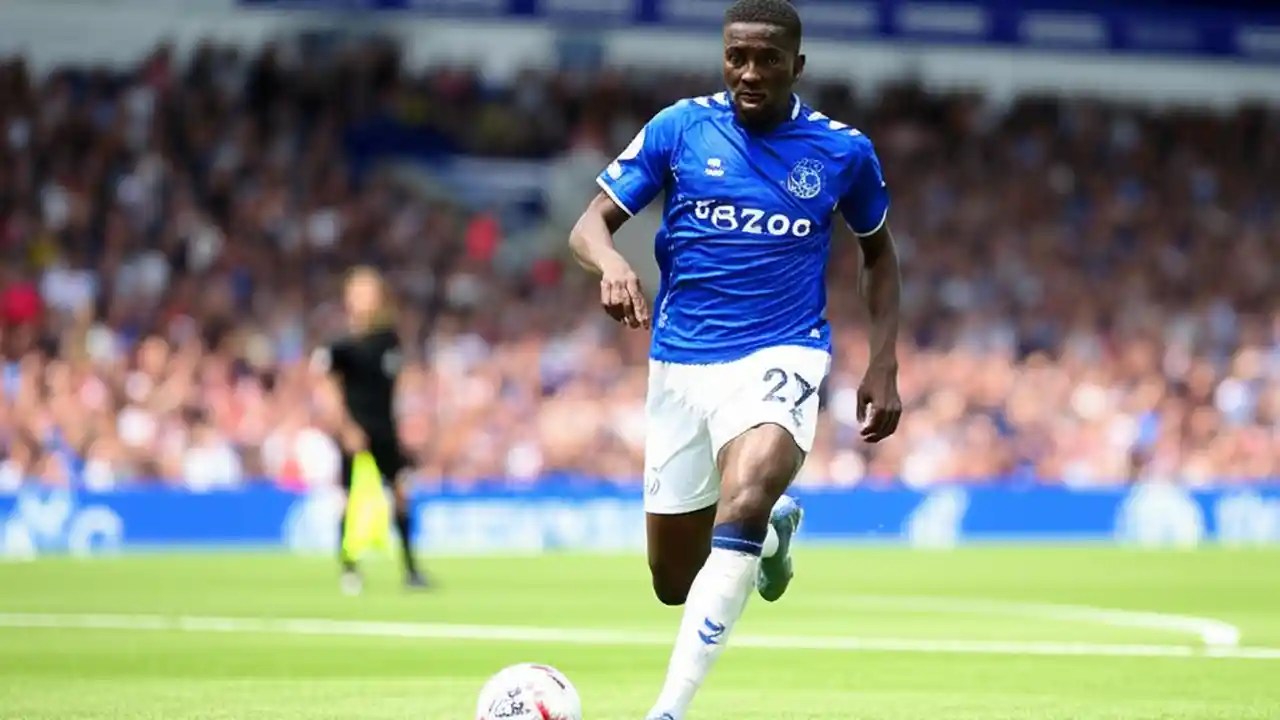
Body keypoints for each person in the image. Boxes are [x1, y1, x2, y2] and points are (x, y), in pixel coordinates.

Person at [568, 1, 903, 717]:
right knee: (673, 580)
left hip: (783, 352)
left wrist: (884, 362)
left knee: (743, 496)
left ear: (798, 66)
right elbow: (590, 224)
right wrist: (611, 266)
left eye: (767, 60)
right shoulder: (679, 127)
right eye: (736, 57)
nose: (749, 72)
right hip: (682, 365)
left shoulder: (843, 151)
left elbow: (878, 254)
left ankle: (667, 710)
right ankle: (775, 527)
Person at [311, 266, 427, 593]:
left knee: (401, 492)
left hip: (385, 428)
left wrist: (404, 421)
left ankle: (411, 568)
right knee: (350, 498)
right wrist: (346, 427)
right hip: (356, 428)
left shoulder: (388, 340)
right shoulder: (341, 345)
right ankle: (349, 567)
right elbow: (330, 391)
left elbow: (398, 383)